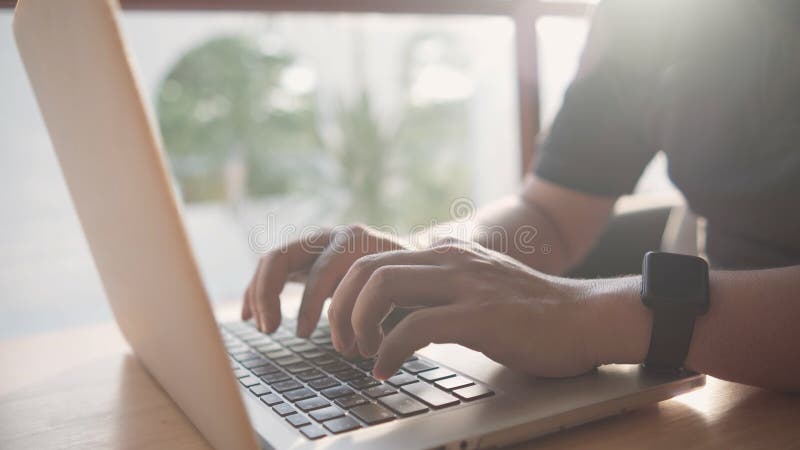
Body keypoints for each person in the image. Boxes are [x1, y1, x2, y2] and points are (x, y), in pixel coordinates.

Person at [242, 0, 800, 392]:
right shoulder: (645, 18)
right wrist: (430, 258)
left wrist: (578, 315)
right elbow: (549, 213)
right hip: (741, 395)